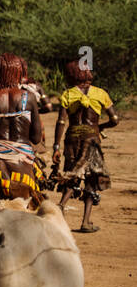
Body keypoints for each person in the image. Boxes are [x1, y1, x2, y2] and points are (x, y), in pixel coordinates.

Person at [0, 53, 44, 212]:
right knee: (26, 215)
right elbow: (37, 138)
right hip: (21, 165)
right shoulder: (28, 98)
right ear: (18, 72)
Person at [53, 60, 119, 233]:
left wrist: (56, 146)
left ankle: (60, 207)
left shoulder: (68, 94)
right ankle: (85, 222)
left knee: (71, 174)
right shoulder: (100, 93)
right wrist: (100, 127)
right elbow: (115, 120)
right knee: (91, 178)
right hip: (92, 139)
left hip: (72, 138)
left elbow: (61, 122)